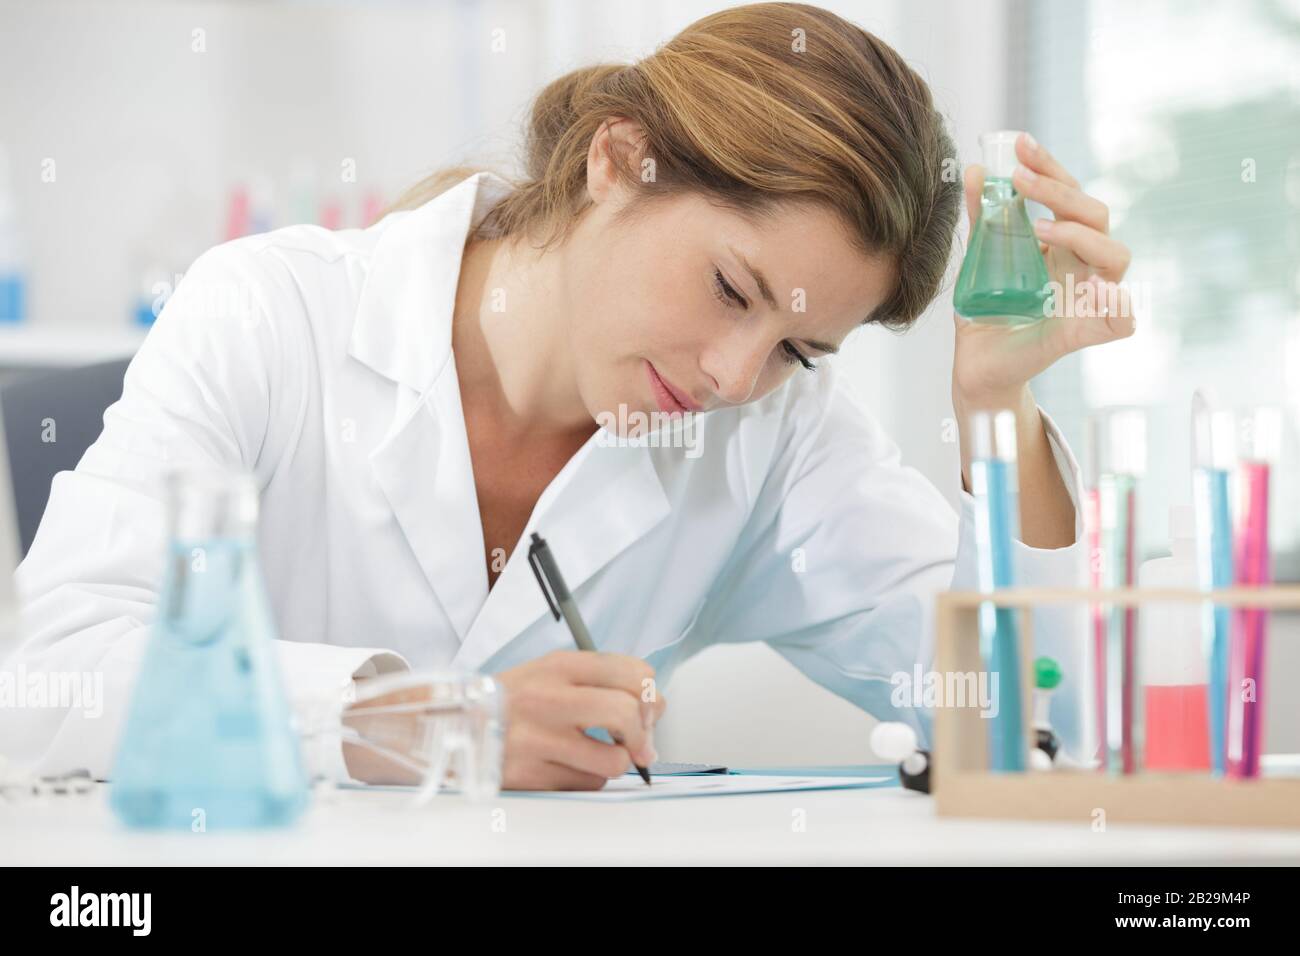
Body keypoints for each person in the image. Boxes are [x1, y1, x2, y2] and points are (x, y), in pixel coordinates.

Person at [2, 3, 1133, 790]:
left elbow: (1027, 723)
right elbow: (51, 680)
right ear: (616, 160)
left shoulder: (770, 436)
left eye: (799, 348)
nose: (735, 377)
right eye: (731, 288)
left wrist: (997, 403)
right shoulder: (270, 313)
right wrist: (417, 724)